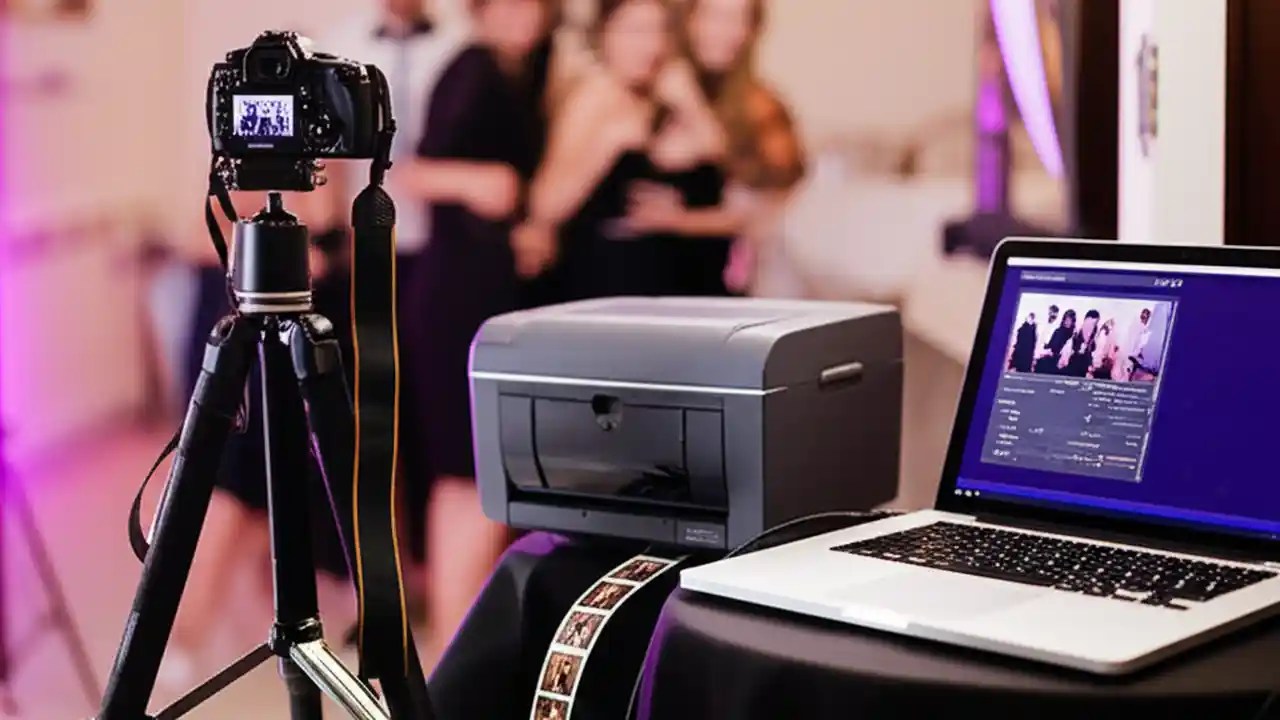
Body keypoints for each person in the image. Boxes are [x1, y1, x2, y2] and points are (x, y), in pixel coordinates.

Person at [394, 0, 555, 654]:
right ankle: (450, 658)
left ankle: (454, 652)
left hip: (482, 295)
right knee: (466, 478)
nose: (525, 14)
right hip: (456, 299)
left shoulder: (520, 71)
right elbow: (409, 170)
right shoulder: (474, 67)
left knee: (478, 479)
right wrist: (478, 180)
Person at [317, 0, 468, 583]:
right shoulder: (341, 44)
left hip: (439, 257)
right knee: (371, 421)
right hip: (364, 253)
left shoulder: (458, 47)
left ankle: (433, 573)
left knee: (429, 421)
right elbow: (327, 160)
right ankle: (380, 574)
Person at [624, 0, 805, 295]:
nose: (727, 31)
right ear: (690, 19)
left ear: (752, 30)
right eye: (715, 16)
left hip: (728, 283)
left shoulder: (760, 106)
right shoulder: (658, 86)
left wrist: (678, 221)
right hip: (651, 272)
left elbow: (763, 213)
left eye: (739, 19)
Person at [514, 0, 684, 300]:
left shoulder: (657, 93)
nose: (652, 44)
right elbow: (544, 203)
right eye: (637, 31)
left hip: (646, 272)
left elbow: (718, 154)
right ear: (606, 34)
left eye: (660, 31)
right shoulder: (595, 95)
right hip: (595, 274)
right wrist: (608, 144)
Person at [1034, 309, 1075, 375]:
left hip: (1057, 360)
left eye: (1069, 320)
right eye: (1066, 319)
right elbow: (1051, 345)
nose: (1067, 322)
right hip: (1050, 357)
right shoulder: (1058, 330)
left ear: (1073, 321)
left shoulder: (1071, 335)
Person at [1062, 309, 1100, 377]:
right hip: (1076, 362)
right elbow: (1074, 347)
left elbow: (1091, 349)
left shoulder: (1093, 331)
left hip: (1084, 363)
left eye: (1095, 323)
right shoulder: (1077, 333)